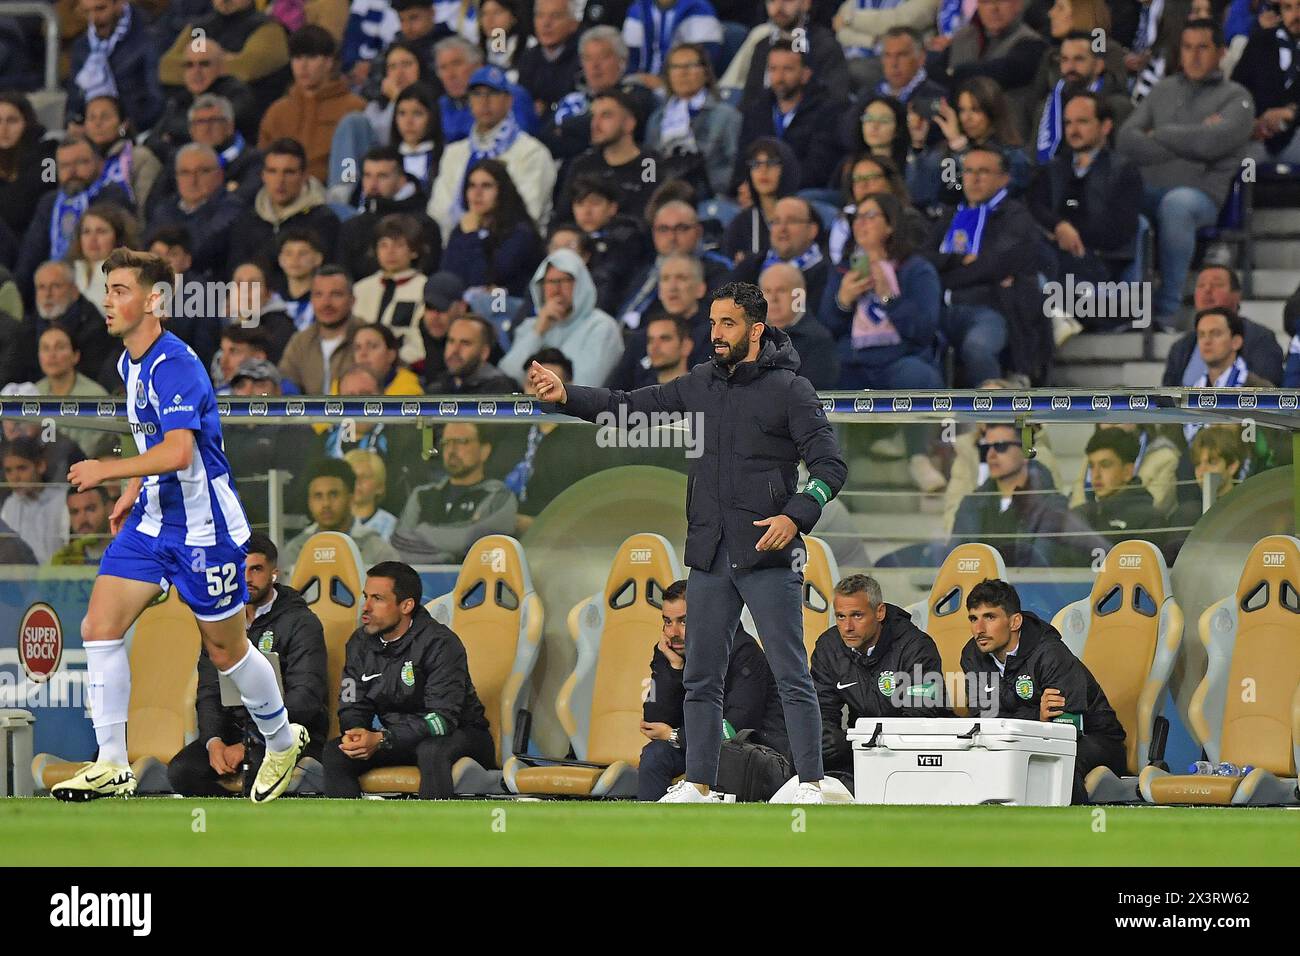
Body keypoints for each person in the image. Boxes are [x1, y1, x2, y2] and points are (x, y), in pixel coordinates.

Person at [527, 281, 847, 803]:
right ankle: (699, 784)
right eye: (713, 323)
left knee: (792, 673)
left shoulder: (792, 389)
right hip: (709, 554)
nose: (716, 334)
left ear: (756, 329)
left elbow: (831, 466)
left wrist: (795, 515)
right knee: (700, 679)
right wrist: (567, 396)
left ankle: (811, 783)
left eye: (728, 324)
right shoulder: (700, 382)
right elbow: (628, 407)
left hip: (768, 553)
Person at [53, 248, 310, 803]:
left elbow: (177, 450)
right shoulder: (129, 361)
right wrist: (130, 489)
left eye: (121, 290)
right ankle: (113, 763)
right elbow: (150, 440)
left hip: (204, 530)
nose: (108, 300)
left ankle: (283, 741)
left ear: (154, 300)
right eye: (107, 289)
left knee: (227, 652)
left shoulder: (178, 365)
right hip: (152, 521)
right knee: (99, 627)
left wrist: (106, 469)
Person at [166, 533, 329, 797]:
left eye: (256, 569)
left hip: (288, 734)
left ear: (274, 573)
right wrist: (213, 742)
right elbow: (209, 690)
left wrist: (252, 741)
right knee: (182, 771)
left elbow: (307, 697)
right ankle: (222, 830)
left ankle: (262, 833)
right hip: (234, 733)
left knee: (255, 769)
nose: (247, 578)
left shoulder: (301, 623)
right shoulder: (220, 622)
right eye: (241, 569)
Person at [1117, 19, 1255, 326]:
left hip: (1201, 196)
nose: (1193, 56)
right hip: (1151, 190)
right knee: (1119, 198)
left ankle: (1167, 310)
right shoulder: (1162, 90)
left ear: (1220, 52)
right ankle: (1124, 309)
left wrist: (1158, 133)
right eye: (1187, 47)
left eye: (1202, 48)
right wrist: (1191, 136)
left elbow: (1213, 142)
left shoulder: (1238, 97)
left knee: (1176, 205)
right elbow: (1126, 140)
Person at [323, 561, 496, 798]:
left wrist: (383, 738)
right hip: (396, 737)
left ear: (406, 605)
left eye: (378, 599)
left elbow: (441, 720)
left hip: (461, 734)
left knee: (431, 751)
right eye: (366, 597)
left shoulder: (440, 644)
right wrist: (356, 731)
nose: (366, 607)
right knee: (337, 752)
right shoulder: (359, 643)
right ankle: (350, 832)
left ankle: (435, 831)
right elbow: (352, 701)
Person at [960, 578, 1126, 804]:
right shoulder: (972, 656)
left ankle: (1072, 831)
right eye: (973, 618)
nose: (979, 629)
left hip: (1094, 739)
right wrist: (1035, 717)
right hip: (1026, 739)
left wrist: (1026, 720)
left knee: (1055, 760)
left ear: (1015, 621)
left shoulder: (1050, 654)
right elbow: (982, 718)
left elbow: (1065, 728)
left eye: (990, 617)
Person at [821, 192, 945, 491]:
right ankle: (828, 470)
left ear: (890, 226)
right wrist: (842, 301)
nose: (860, 224)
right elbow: (826, 326)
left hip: (897, 360)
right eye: (857, 217)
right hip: (853, 362)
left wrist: (890, 296)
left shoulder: (916, 270)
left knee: (919, 375)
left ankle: (918, 457)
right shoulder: (843, 270)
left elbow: (924, 329)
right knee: (821, 377)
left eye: (870, 216)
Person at [639, 578, 788, 801]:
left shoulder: (744, 652)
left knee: (726, 756)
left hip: (750, 750)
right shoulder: (671, 651)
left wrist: (674, 735)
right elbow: (652, 721)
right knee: (655, 754)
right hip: (697, 746)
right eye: (667, 622)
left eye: (683, 621)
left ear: (705, 613)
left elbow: (735, 728)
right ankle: (651, 829)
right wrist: (674, 668)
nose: (673, 632)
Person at [926, 143, 1043, 385]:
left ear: (1004, 179)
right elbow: (922, 259)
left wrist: (945, 275)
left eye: (983, 172)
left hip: (989, 307)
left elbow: (993, 265)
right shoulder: (951, 214)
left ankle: (991, 419)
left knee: (977, 347)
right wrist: (958, 260)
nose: (974, 179)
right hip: (938, 307)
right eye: (968, 171)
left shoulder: (1015, 216)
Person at [810, 574, 946, 779]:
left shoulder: (916, 647)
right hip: (861, 752)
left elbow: (921, 717)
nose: (847, 627)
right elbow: (822, 709)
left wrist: (853, 743)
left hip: (914, 756)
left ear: (880, 612)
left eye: (857, 615)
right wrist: (828, 740)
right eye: (840, 616)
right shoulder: (829, 647)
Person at [1028, 92, 1144, 302]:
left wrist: (1072, 234)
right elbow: (1036, 206)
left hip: (1098, 263)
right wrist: (1059, 226)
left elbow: (1119, 230)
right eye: (1068, 123)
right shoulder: (1054, 168)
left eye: (1082, 122)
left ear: (1105, 126)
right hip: (1054, 256)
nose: (1073, 130)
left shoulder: (1123, 170)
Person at [428, 65, 556, 239]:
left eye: (493, 93)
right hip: (457, 246)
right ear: (469, 102)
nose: (485, 101)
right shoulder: (454, 152)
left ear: (509, 100)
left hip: (512, 249)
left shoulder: (532, 152)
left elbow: (528, 210)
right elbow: (438, 210)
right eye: (477, 94)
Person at [950, 422, 1097, 567]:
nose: (991, 455)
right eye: (985, 448)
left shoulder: (1052, 506)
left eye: (1001, 446)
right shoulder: (971, 504)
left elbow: (1040, 566)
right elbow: (954, 564)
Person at [392, 421, 518, 563]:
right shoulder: (421, 495)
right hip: (422, 582)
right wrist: (447, 556)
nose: (451, 450)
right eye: (446, 442)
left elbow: (478, 541)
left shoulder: (498, 496)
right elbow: (401, 546)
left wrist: (423, 532)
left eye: (461, 441)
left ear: (484, 451)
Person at [500, 249, 624, 386]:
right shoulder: (532, 325)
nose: (556, 289)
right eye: (550, 282)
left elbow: (586, 386)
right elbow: (507, 379)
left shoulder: (601, 326)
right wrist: (537, 332)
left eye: (565, 280)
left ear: (581, 283)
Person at [733, 40, 844, 194]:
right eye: (773, 69)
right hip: (759, 190)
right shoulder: (756, 110)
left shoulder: (826, 111)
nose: (779, 77)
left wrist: (776, 187)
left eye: (788, 69)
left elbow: (818, 168)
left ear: (805, 74)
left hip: (803, 193)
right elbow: (742, 160)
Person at [259, 25, 366, 184]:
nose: (303, 66)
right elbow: (263, 161)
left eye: (311, 57)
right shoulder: (277, 111)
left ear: (329, 61)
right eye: (297, 58)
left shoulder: (354, 107)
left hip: (334, 196)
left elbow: (356, 162)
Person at [228, 138, 341, 278]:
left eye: (289, 172)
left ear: (304, 175)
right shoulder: (247, 219)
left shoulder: (324, 221)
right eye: (272, 171)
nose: (280, 180)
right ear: (263, 175)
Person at [644, 42, 741, 199]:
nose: (683, 73)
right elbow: (649, 164)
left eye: (690, 65)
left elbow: (736, 164)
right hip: (666, 197)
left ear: (706, 72)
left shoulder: (727, 116)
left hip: (713, 196)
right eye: (676, 67)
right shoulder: (657, 119)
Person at [438, 158, 546, 299]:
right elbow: (447, 275)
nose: (477, 193)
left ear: (502, 191)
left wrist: (471, 237)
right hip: (466, 307)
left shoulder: (520, 233)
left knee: (491, 300)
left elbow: (484, 280)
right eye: (471, 186)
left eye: (486, 186)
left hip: (506, 306)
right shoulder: (463, 228)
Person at [158, 0, 292, 114]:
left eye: (204, 64)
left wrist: (197, 65)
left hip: (247, 115)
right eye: (190, 65)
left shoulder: (268, 27)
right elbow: (166, 68)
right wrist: (220, 62)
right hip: (193, 112)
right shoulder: (200, 28)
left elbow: (246, 69)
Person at [1162, 265, 1284, 385]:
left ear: (1236, 295)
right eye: (1201, 285)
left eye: (1217, 284)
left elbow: (1267, 393)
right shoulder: (1181, 346)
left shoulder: (1260, 338)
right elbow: (1166, 398)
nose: (1207, 290)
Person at [335, 146, 443, 279]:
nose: (373, 184)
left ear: (402, 179)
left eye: (382, 176)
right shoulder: (351, 227)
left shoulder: (424, 225)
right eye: (367, 175)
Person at [557, 88, 661, 222]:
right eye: (593, 116)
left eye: (606, 116)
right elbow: (562, 217)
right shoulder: (582, 165)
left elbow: (648, 214)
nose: (595, 123)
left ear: (629, 124)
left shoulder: (650, 164)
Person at [279, 456, 400, 572]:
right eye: (318, 496)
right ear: (309, 502)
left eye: (334, 494)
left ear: (351, 498)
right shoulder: (295, 550)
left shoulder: (378, 551)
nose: (326, 503)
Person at [147, 143, 246, 279]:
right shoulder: (164, 209)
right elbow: (148, 250)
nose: (192, 180)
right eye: (185, 172)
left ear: (220, 175)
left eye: (203, 171)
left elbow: (202, 247)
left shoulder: (231, 207)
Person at [724, 0, 850, 104]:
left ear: (806, 3)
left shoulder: (825, 46)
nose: (778, 8)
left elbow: (836, 100)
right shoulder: (762, 46)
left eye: (787, 1)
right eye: (772, 1)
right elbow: (751, 99)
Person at [67, 0, 165, 132]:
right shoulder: (81, 47)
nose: (94, 19)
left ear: (120, 3)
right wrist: (73, 123)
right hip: (90, 131)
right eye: (87, 11)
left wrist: (126, 128)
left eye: (100, 9)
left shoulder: (149, 39)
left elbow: (156, 100)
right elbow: (73, 100)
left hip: (134, 130)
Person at [729, 196, 831, 309]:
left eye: (792, 221)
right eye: (776, 221)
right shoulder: (751, 266)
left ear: (812, 230)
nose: (782, 228)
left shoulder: (826, 274)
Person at [1233, 0, 1300, 162]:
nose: (1296, 15)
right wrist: (1251, 124)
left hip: (1297, 136)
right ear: (1280, 12)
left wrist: (1292, 113)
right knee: (1244, 167)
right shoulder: (1260, 41)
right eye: (1288, 8)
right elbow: (1236, 90)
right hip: (1257, 137)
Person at [278, 266, 361, 394]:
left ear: (352, 300)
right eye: (319, 295)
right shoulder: (301, 341)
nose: (326, 303)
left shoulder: (368, 336)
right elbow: (285, 381)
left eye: (336, 294)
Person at [1069, 428, 1159, 541]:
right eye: (1092, 466)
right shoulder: (1079, 515)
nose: (1095, 475)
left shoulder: (1149, 519)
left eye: (1105, 465)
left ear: (1127, 472)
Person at [759, 262, 839, 390]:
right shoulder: (750, 337)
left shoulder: (819, 341)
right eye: (767, 291)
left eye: (781, 290)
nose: (773, 298)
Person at [351, 214, 430, 330]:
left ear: (414, 251)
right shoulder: (360, 289)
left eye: (399, 245)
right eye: (384, 245)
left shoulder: (424, 288)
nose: (390, 252)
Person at [1, 437, 70, 564]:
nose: (15, 477)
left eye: (22, 468)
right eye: (9, 471)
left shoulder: (62, 501)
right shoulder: (9, 505)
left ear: (40, 466)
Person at [622, 0, 723, 79]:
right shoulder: (637, 8)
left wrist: (663, 82)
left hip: (680, 83)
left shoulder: (699, 9)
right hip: (643, 84)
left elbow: (705, 61)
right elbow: (631, 57)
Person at [515, 0, 584, 116]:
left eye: (555, 16)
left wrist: (547, 109)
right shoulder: (528, 58)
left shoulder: (584, 57)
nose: (546, 23)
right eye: (540, 16)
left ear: (574, 23)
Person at [425, 313, 518, 393]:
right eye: (451, 341)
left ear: (484, 352)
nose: (455, 350)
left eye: (465, 343)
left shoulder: (499, 391)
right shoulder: (437, 387)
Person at [50, 486, 115, 566]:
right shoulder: (63, 559)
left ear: (110, 509)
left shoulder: (128, 553)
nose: (82, 519)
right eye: (74, 512)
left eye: (90, 509)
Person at [344, 448, 398, 541]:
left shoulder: (392, 526)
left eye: (364, 477)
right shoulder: (330, 521)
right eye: (351, 476)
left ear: (380, 487)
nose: (357, 482)